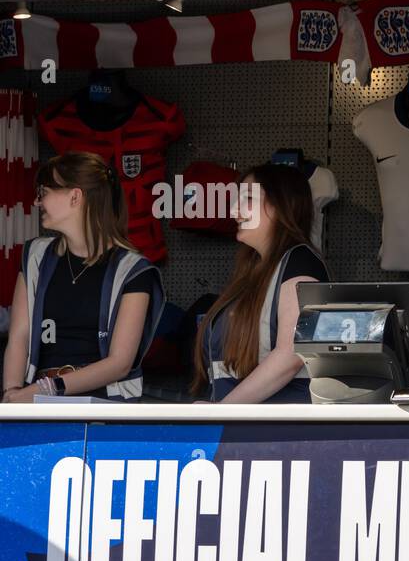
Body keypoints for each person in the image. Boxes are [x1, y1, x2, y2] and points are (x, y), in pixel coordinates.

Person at [3, 152, 163, 402]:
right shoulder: (35, 255)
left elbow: (120, 363)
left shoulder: (133, 270)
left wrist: (44, 390)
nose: (37, 202)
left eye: (43, 192)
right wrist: (12, 393)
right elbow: (19, 335)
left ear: (75, 197)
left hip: (105, 406)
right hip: (36, 403)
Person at [192, 163, 329, 404]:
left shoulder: (300, 263)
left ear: (280, 205)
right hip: (245, 430)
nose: (234, 211)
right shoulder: (254, 272)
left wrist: (222, 411)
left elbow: (291, 354)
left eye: (247, 199)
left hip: (277, 432)